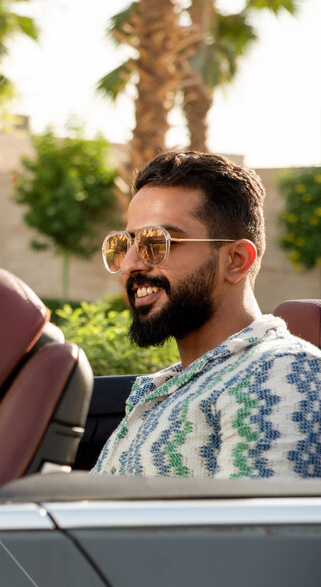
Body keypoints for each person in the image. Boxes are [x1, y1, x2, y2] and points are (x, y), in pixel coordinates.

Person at [92, 151, 321, 479]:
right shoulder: (169, 385)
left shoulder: (279, 374)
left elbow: (256, 529)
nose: (129, 264)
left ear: (235, 260)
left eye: (157, 243)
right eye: (126, 243)